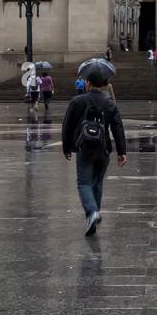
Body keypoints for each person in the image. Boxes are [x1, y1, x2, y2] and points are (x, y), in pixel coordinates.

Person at [62, 74, 127, 236]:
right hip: (103, 148)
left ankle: (92, 213)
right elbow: (118, 128)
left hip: (85, 148)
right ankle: (93, 218)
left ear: (87, 83)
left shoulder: (77, 101)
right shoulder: (110, 104)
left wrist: (67, 147)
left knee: (84, 183)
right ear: (104, 84)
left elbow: (67, 126)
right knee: (97, 183)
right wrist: (122, 151)